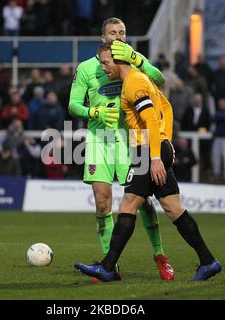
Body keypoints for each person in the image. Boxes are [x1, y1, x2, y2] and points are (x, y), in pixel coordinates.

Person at [75, 43, 221, 281]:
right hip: (155, 146)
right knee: (174, 209)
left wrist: (154, 157)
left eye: (106, 63)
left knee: (128, 205)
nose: (103, 68)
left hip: (147, 150)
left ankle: (108, 267)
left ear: (120, 60)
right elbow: (166, 106)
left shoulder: (133, 83)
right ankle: (208, 261)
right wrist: (166, 142)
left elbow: (151, 119)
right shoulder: (141, 79)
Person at [69, 17, 174, 281]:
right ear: (103, 38)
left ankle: (160, 255)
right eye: (112, 33)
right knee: (102, 201)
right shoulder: (86, 68)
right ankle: (110, 267)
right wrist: (94, 111)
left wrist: (138, 60)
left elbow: (160, 80)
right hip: (99, 138)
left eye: (122, 32)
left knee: (144, 201)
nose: (118, 37)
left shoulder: (134, 59)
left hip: (131, 138)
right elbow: (73, 105)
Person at [211, 98, 225, 181]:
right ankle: (216, 174)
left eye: (222, 103)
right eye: (219, 104)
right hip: (218, 138)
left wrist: (219, 117)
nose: (221, 105)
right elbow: (213, 119)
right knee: (215, 156)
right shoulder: (218, 112)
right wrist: (219, 117)